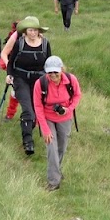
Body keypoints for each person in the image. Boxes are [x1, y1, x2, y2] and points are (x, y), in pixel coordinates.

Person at [0, 16, 52, 155]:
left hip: (39, 81)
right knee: (27, 109)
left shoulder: (45, 44)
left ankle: (28, 127)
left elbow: (49, 64)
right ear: (25, 31)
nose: (32, 33)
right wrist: (9, 75)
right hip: (21, 79)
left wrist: (51, 80)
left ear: (39, 31)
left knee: (35, 112)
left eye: (35, 30)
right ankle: (28, 142)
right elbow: (11, 62)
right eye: (30, 30)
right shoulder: (19, 43)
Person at [35, 55, 81, 191]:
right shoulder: (40, 83)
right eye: (50, 72)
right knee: (51, 148)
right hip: (47, 118)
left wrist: (69, 109)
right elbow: (37, 106)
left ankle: (57, 171)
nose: (53, 75)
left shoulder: (71, 80)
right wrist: (45, 129)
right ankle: (54, 181)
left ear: (61, 69)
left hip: (65, 118)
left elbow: (77, 95)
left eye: (56, 72)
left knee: (61, 148)